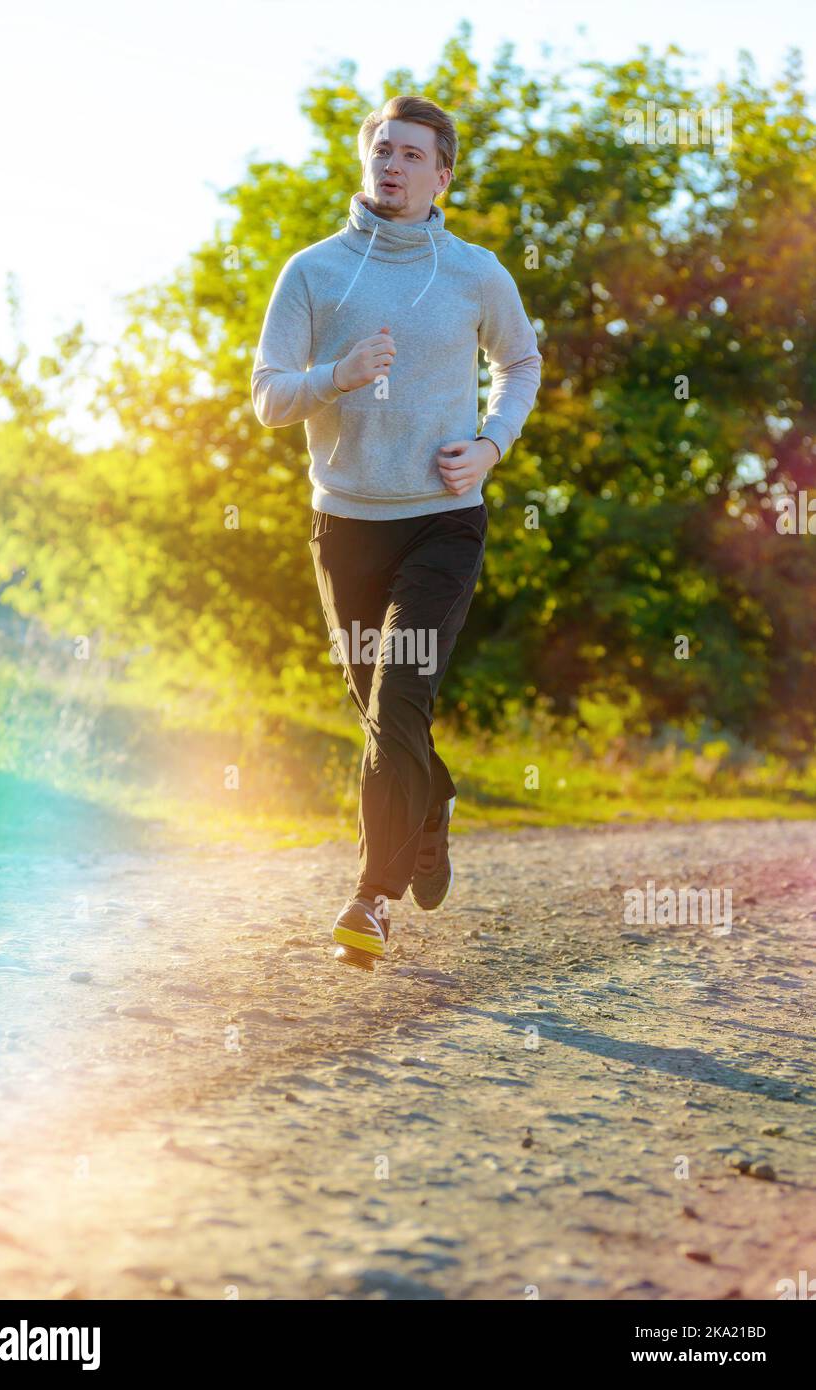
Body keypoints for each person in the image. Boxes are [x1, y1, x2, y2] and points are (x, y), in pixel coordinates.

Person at [251, 95, 542, 969]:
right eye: (383, 149)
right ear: (364, 160)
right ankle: (431, 799)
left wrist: (490, 445)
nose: (394, 164)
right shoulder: (313, 271)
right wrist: (337, 375)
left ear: (442, 175)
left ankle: (370, 899)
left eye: (414, 154)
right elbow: (268, 397)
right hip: (344, 524)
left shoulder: (475, 272)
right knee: (377, 711)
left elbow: (520, 362)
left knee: (399, 700)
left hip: (441, 523)